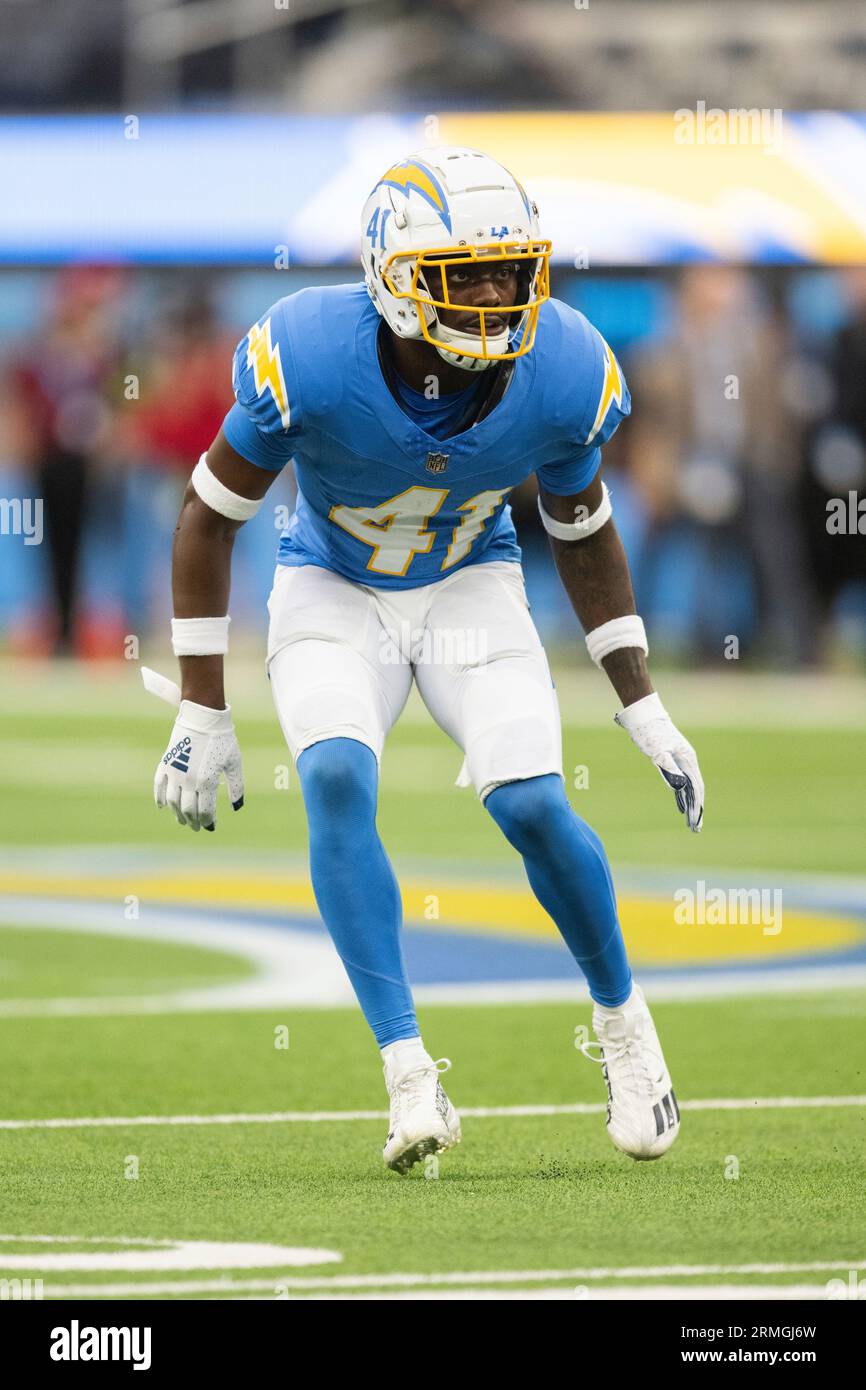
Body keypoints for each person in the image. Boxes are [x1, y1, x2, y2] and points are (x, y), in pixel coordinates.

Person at [148, 147, 704, 1174]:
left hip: (466, 584)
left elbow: (581, 527)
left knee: (531, 802)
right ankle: (408, 1070)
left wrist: (641, 704)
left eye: (508, 269)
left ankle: (625, 1030)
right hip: (332, 581)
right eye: (467, 272)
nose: (496, 293)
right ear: (394, 276)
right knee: (331, 775)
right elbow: (205, 515)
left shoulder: (564, 367)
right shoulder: (309, 353)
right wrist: (202, 709)